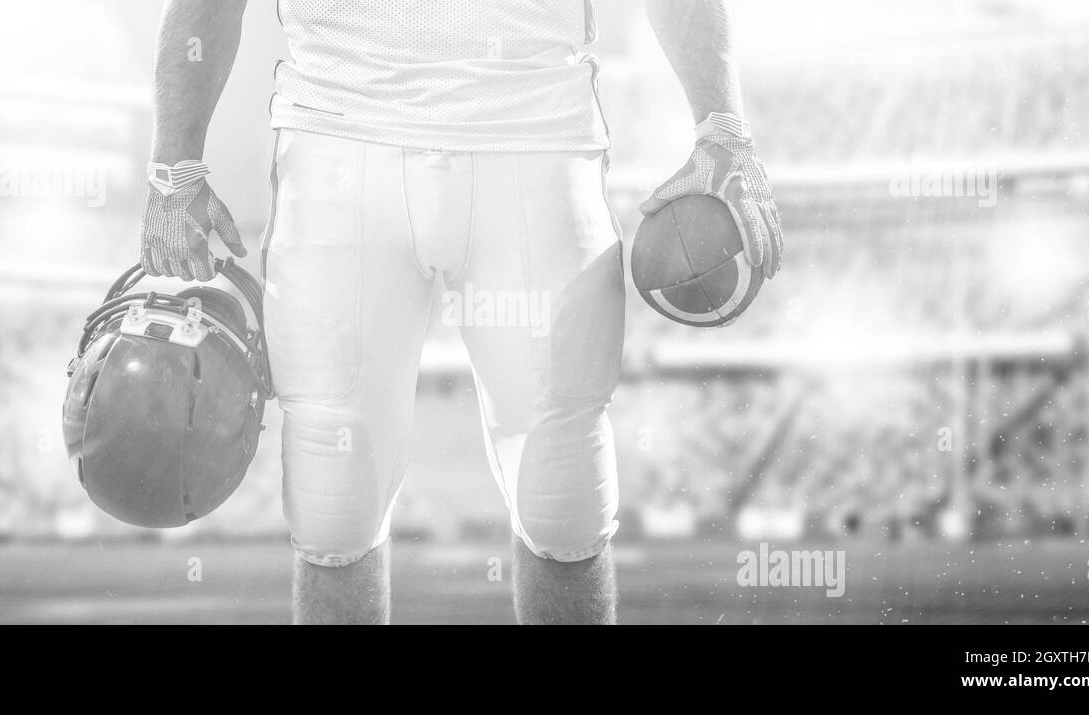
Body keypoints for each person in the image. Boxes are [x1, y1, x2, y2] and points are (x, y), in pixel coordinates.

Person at [138, 0, 783, 625]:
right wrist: (173, 167)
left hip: (535, 137)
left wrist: (722, 124)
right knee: (335, 509)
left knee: (562, 501)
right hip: (339, 142)